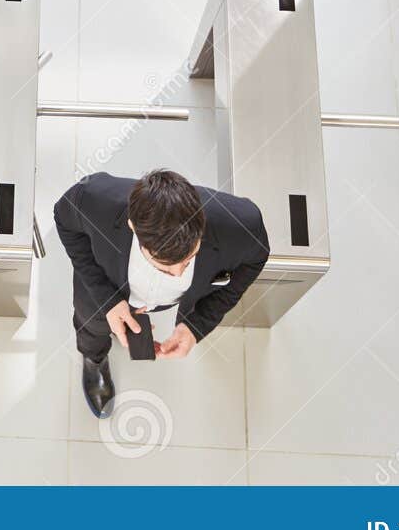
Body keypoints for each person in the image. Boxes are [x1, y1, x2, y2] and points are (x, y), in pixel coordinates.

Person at [53, 169, 270, 419]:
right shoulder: (93, 198)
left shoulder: (241, 223)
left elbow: (256, 258)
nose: (178, 274)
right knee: (92, 327)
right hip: (103, 287)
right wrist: (107, 300)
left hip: (166, 303)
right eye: (164, 267)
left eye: (189, 259)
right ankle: (94, 359)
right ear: (133, 226)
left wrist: (197, 325)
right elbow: (63, 219)